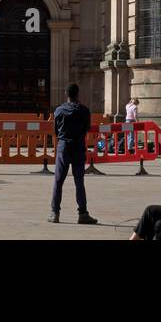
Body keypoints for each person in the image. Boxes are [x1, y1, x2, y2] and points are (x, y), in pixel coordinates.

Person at [48, 82, 97, 225]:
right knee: (79, 181)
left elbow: (56, 131)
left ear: (66, 94)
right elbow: (86, 129)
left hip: (63, 146)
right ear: (78, 94)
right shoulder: (84, 110)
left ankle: (54, 213)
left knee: (58, 181)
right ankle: (83, 213)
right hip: (78, 146)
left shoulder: (59, 110)